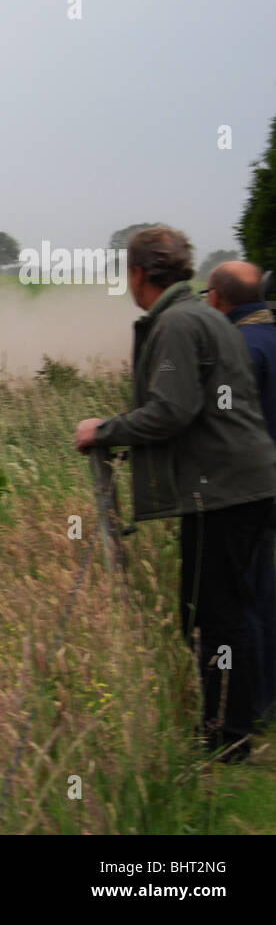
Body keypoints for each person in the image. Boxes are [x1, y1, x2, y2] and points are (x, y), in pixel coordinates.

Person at [74, 227, 276, 761]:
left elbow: (172, 410)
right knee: (213, 613)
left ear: (136, 274)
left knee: (218, 617)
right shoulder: (202, 316)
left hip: (226, 492)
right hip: (235, 486)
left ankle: (227, 740)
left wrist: (105, 431)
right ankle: (230, 726)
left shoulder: (178, 324)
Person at [206, 260, 276, 722]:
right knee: (263, 589)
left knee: (242, 598)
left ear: (218, 298)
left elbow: (224, 420)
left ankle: (250, 705)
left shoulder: (240, 348)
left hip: (249, 487)